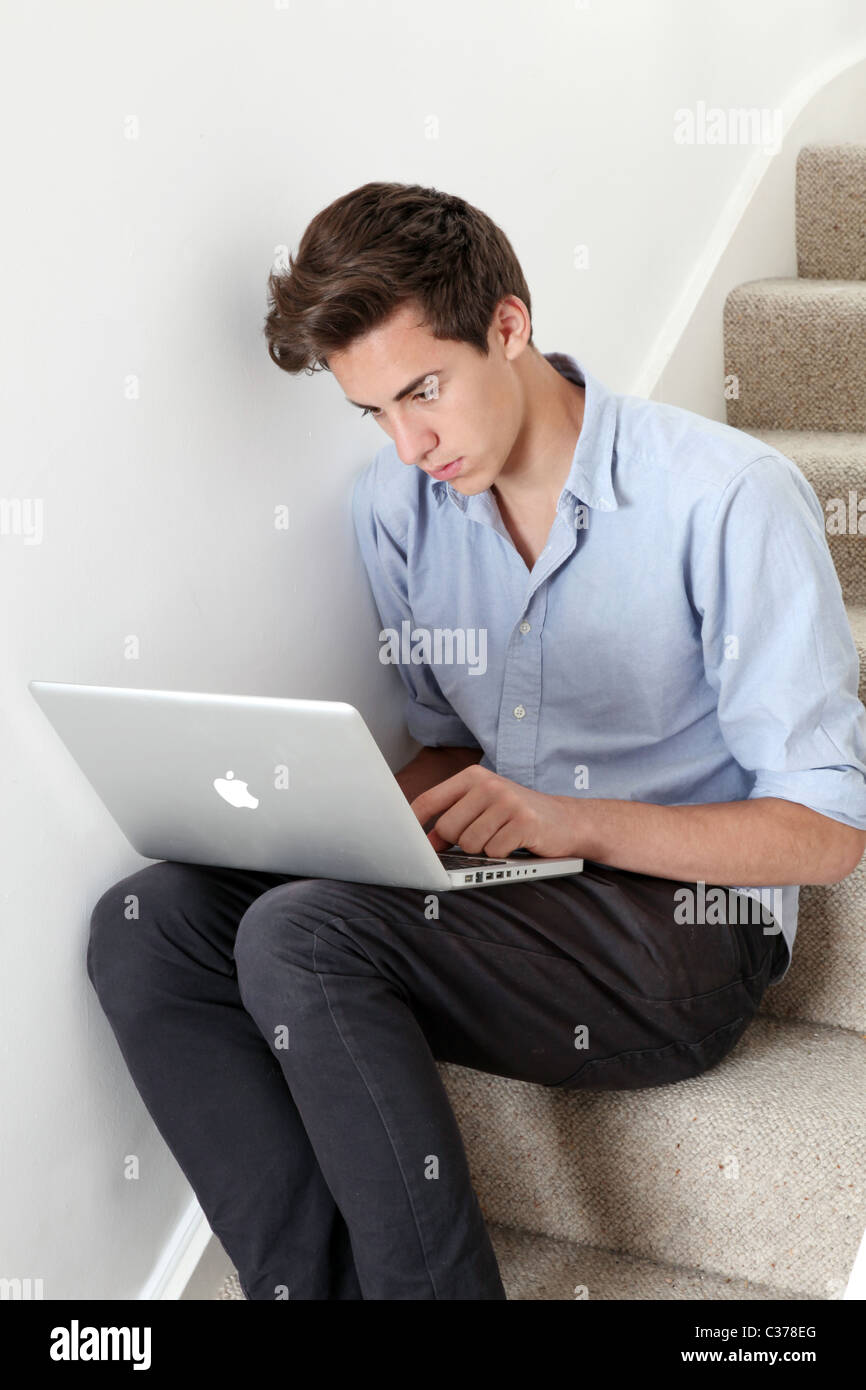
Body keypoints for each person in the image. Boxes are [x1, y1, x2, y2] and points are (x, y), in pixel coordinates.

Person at [87, 181, 866, 1301]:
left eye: (423, 392)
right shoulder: (394, 509)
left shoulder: (727, 499)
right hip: (511, 889)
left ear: (509, 326)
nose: (408, 443)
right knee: (148, 920)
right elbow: (452, 749)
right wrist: (352, 818)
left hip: (686, 928)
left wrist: (568, 817)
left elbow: (826, 832)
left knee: (302, 939)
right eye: (373, 413)